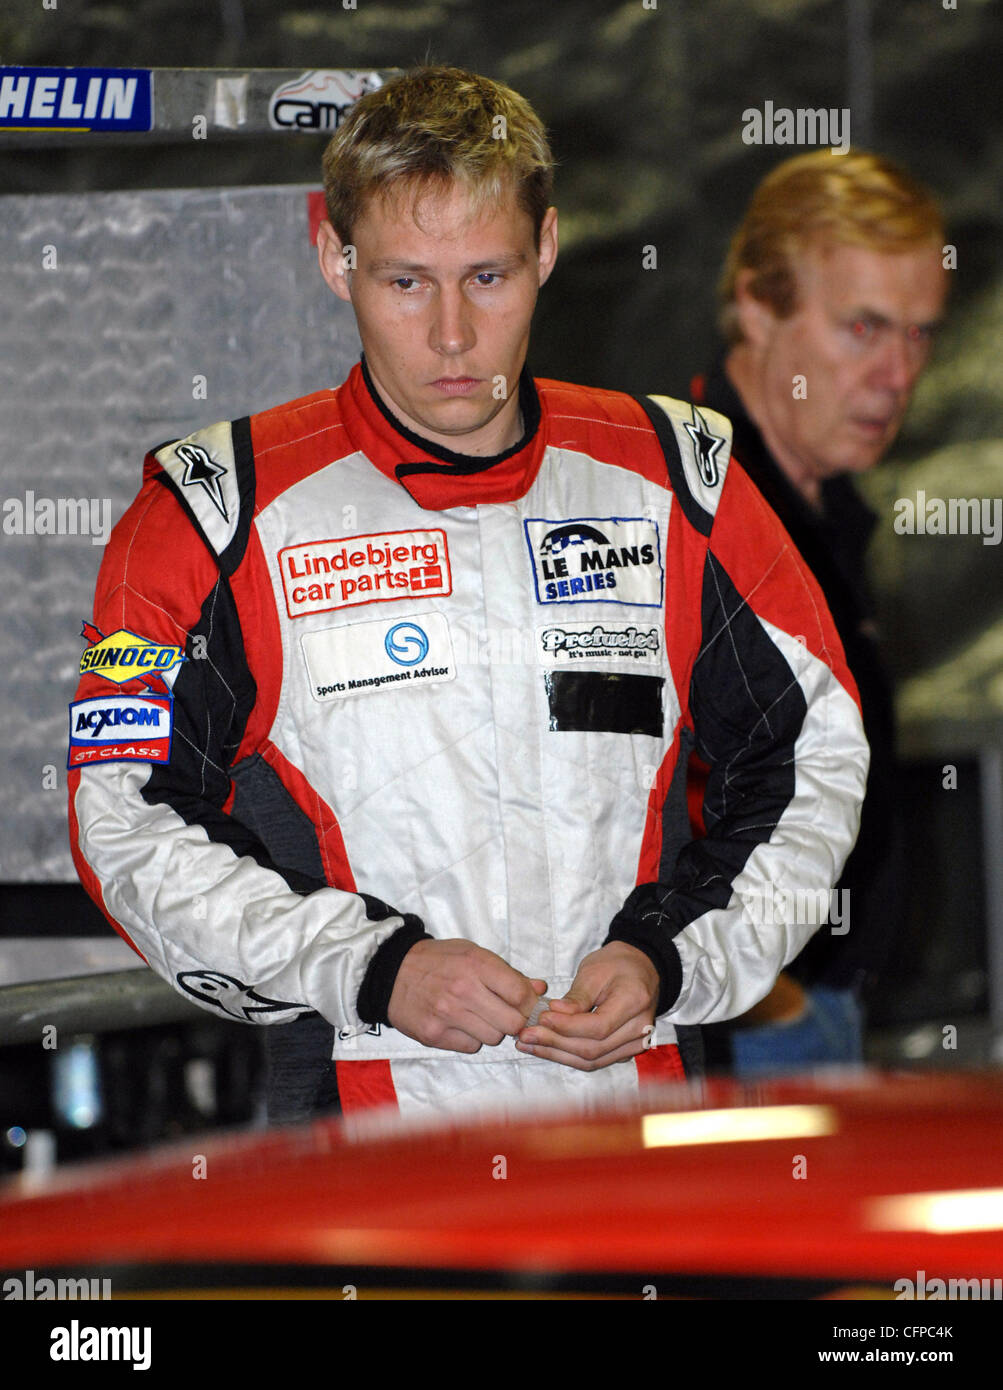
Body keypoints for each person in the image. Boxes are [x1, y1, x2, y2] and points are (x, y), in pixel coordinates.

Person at [68, 67, 867, 1122]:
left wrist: (669, 955)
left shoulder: (681, 475)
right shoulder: (213, 511)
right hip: (350, 1152)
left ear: (545, 249)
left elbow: (810, 754)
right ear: (332, 258)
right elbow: (121, 816)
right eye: (406, 281)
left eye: (486, 275)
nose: (451, 335)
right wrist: (370, 967)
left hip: (640, 1126)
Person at [690, 150, 948, 1075]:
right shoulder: (686, 502)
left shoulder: (825, 505)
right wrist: (767, 1001)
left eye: (918, 335)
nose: (895, 374)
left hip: (814, 1003)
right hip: (742, 1026)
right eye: (864, 328)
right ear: (756, 304)